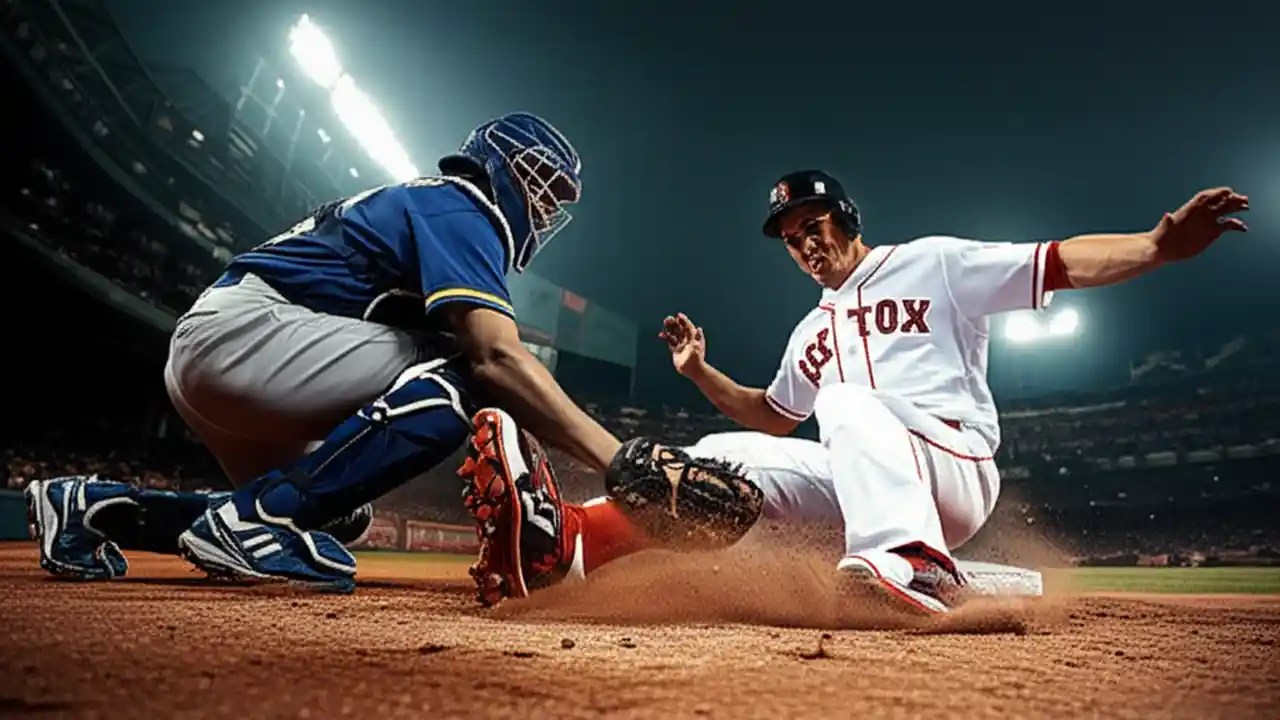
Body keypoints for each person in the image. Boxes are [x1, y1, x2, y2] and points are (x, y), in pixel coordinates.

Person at [462, 169, 1249, 614]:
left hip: (953, 468)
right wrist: (700, 373)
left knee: (844, 402)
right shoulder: (812, 329)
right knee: (712, 460)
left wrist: (1153, 247)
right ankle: (566, 544)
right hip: (862, 481)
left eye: (813, 225)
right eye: (791, 237)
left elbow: (1058, 262)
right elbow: (772, 417)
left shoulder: (933, 262)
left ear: (846, 219)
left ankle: (916, 564)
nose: (804, 243)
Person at [25, 112, 750, 593]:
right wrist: (620, 461)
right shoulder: (466, 206)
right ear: (494, 164)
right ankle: (257, 524)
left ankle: (94, 508)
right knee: (473, 371)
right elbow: (496, 360)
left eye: (560, 197)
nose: (548, 207)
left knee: (335, 512)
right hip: (247, 334)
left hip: (235, 344)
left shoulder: (434, 204)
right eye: (541, 183)